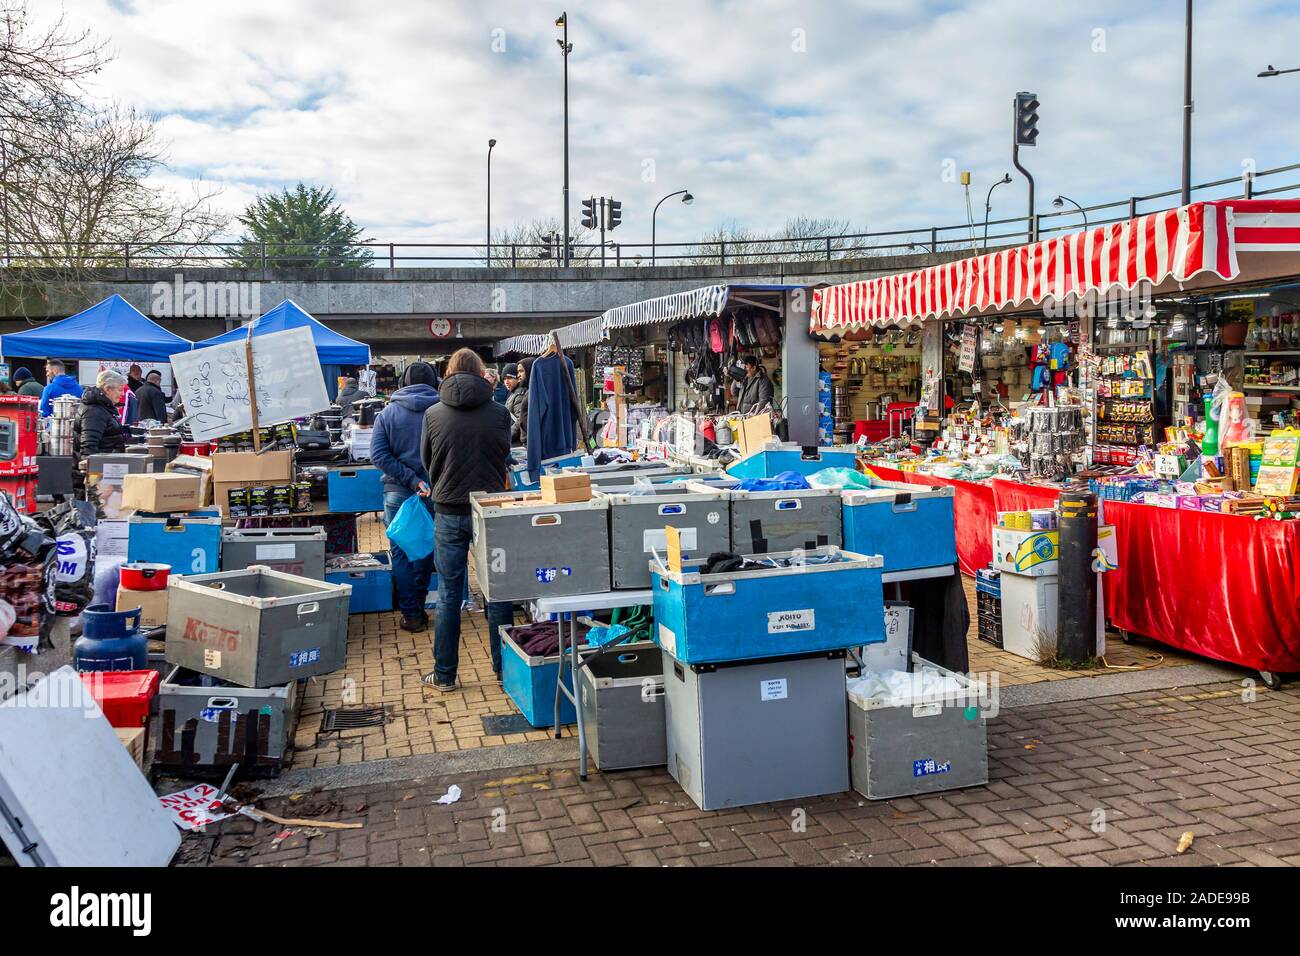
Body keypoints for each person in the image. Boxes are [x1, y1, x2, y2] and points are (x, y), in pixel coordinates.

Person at [419, 348, 513, 690]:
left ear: (448, 372)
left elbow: (426, 460)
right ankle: (505, 670)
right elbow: (504, 453)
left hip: (447, 510)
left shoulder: (432, 414)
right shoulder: (500, 413)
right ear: (480, 373)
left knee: (448, 593)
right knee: (497, 590)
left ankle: (444, 674)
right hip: (489, 511)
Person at [371, 362, 441, 632]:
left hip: (397, 491)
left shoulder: (387, 414)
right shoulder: (442, 411)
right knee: (424, 548)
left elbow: (378, 455)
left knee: (400, 552)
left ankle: (411, 614)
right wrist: (424, 479)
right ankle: (418, 606)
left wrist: (410, 479)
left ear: (402, 383)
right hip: (434, 490)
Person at [74, 369, 129, 459]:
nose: (122, 394)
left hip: (107, 462)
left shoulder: (102, 407)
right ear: (107, 388)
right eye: (120, 390)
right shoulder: (94, 411)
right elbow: (89, 447)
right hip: (102, 464)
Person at [503, 363, 526, 443]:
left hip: (517, 442)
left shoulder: (520, 394)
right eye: (504, 379)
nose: (506, 382)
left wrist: (506, 437)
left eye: (509, 378)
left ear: (518, 378)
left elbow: (520, 420)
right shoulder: (513, 393)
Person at [513, 357, 534, 445]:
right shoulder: (529, 390)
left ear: (530, 371)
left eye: (521, 371)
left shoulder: (534, 392)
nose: (518, 375)